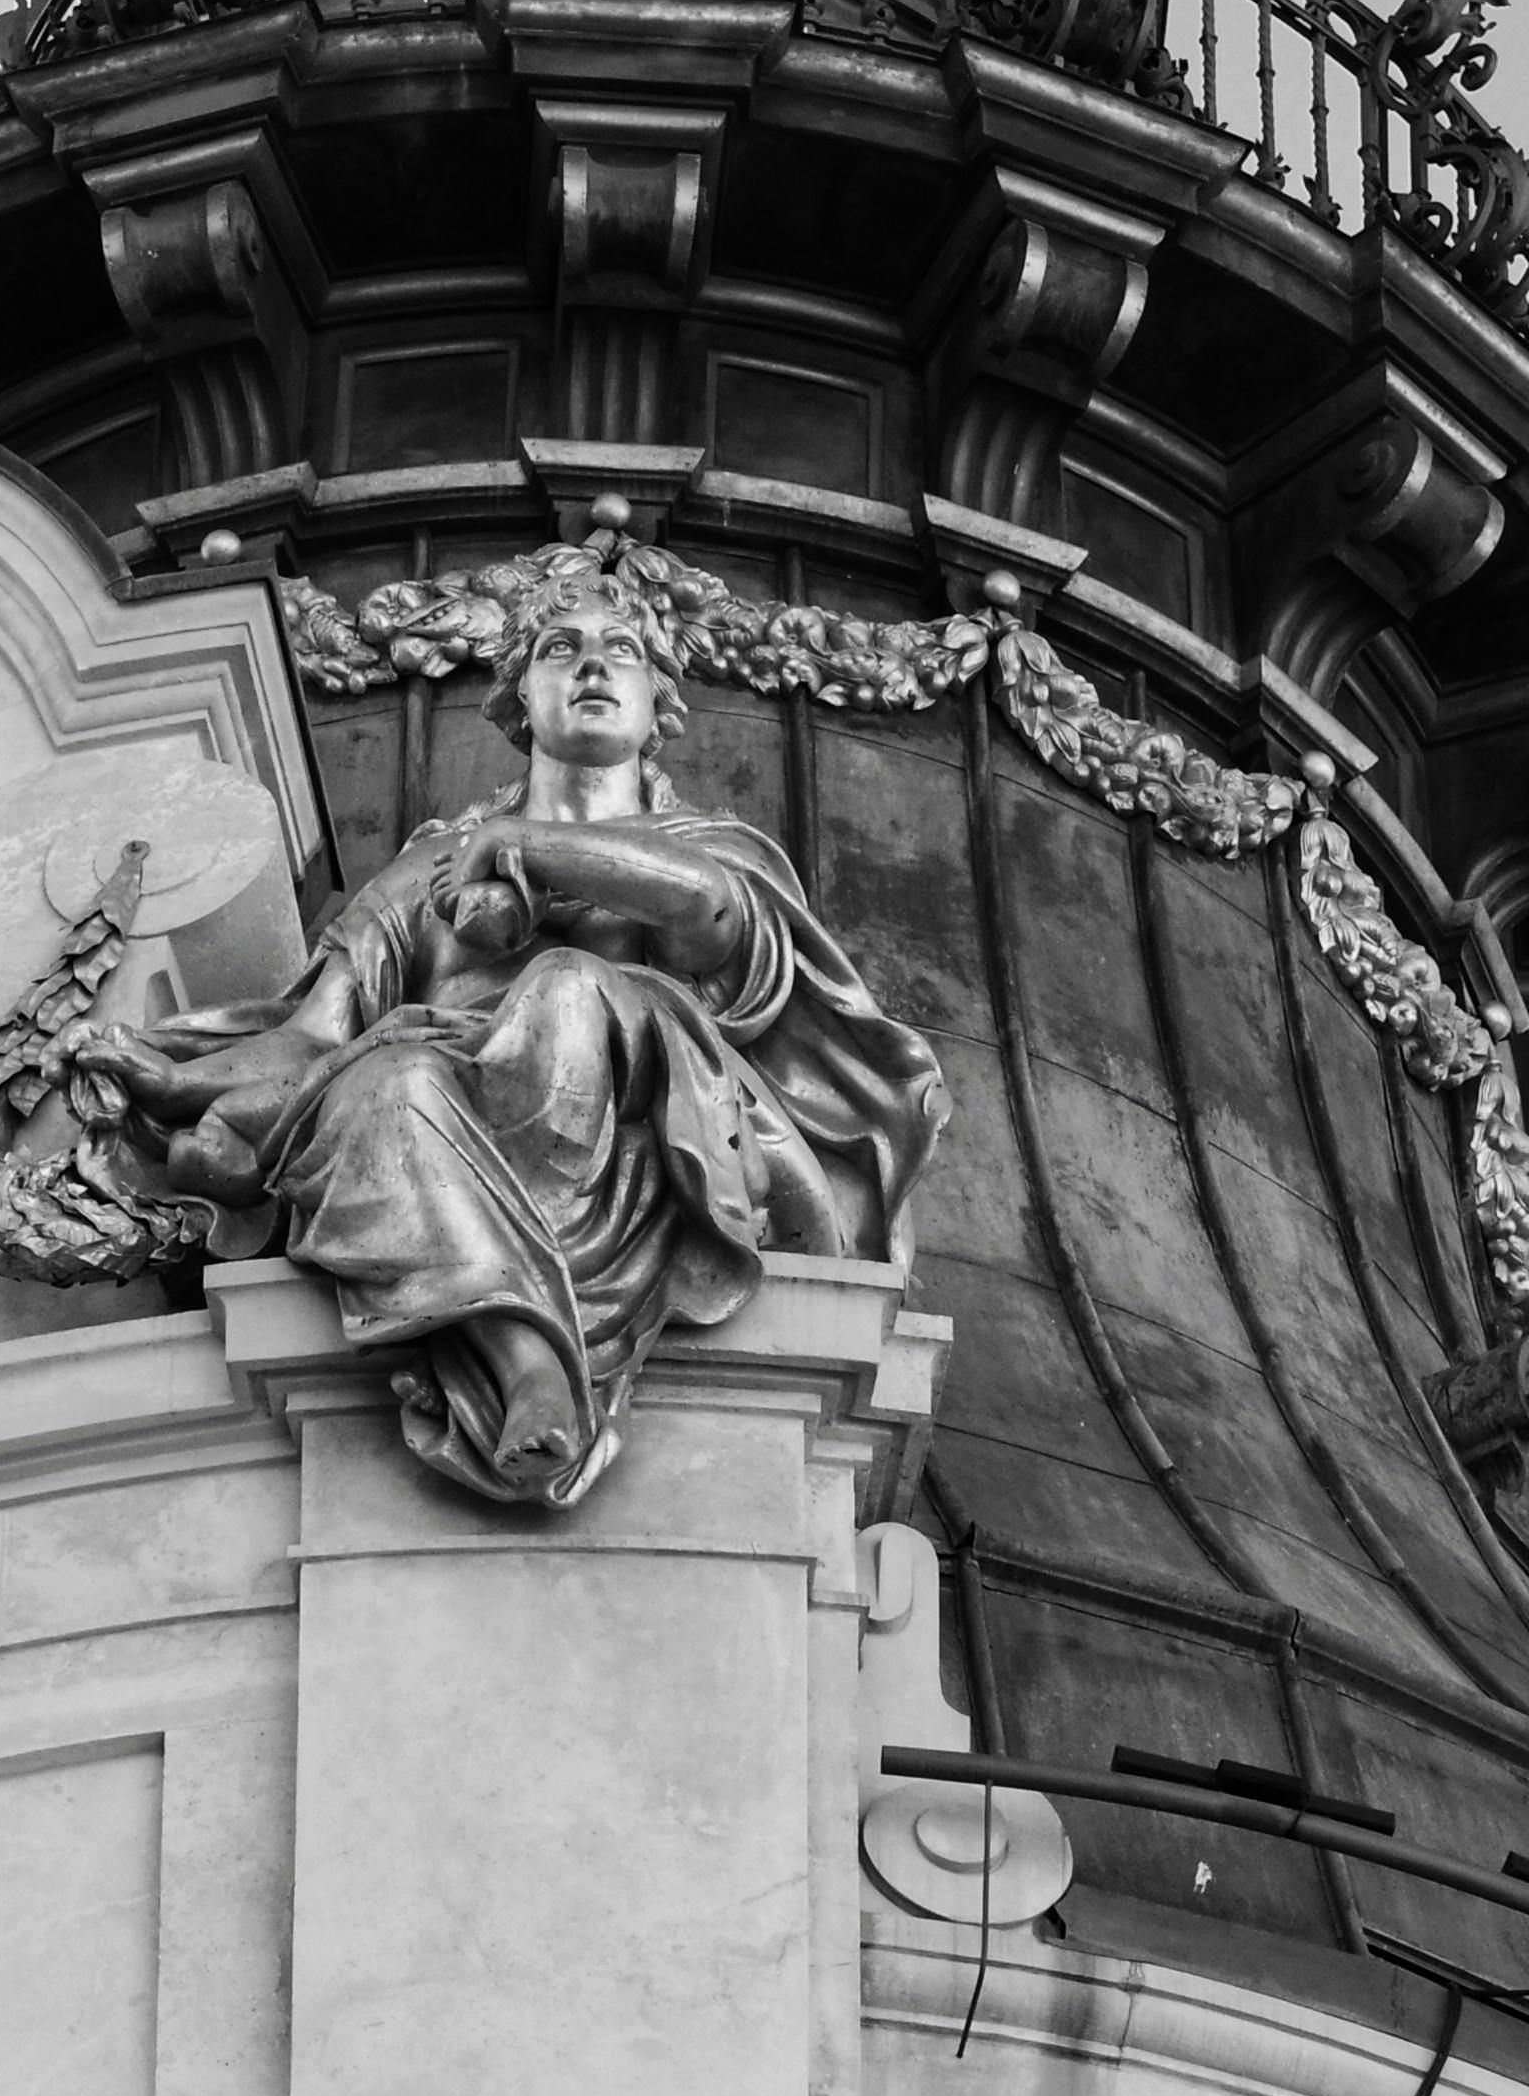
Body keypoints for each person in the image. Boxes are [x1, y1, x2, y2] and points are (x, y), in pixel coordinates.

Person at [78, 580, 946, 1511]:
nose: (595, 662)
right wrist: (179, 1079)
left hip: (630, 1142)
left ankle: (517, 1313)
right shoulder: (425, 873)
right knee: (387, 1076)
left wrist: (521, 845)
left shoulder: (704, 847)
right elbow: (311, 1036)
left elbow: (707, 910)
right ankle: (524, 1350)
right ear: (516, 698)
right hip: (446, 1127)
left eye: (624, 648)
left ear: (660, 705)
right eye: (559, 647)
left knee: (566, 985)